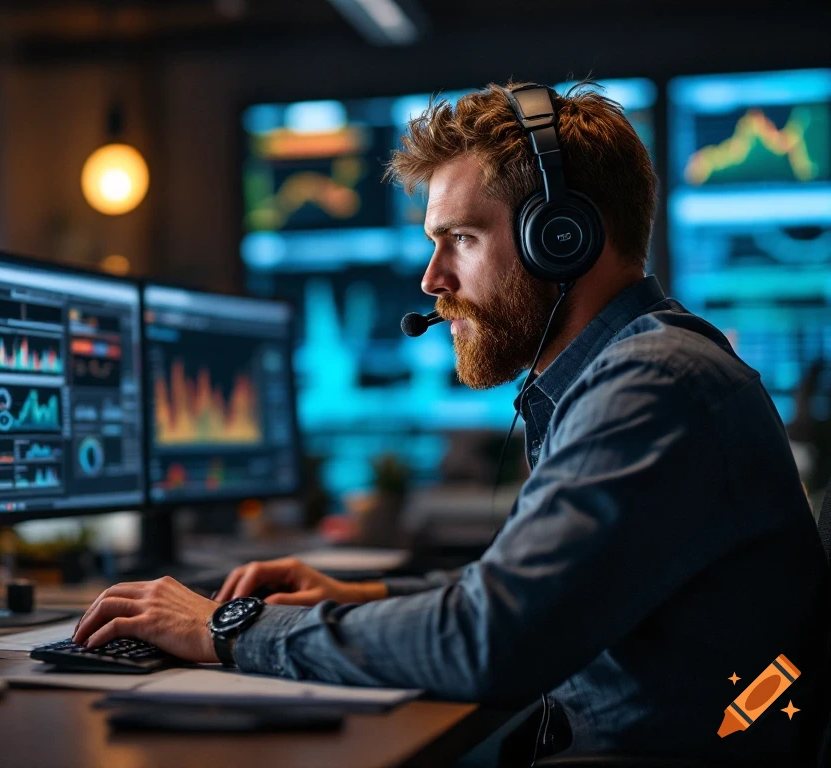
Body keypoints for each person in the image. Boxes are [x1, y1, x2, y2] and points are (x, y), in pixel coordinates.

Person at [73, 81, 829, 764]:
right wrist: (359, 596)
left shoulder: (654, 383)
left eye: (461, 238)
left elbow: (492, 638)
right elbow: (526, 589)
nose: (432, 279)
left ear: (562, 236)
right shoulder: (631, 373)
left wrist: (227, 627)